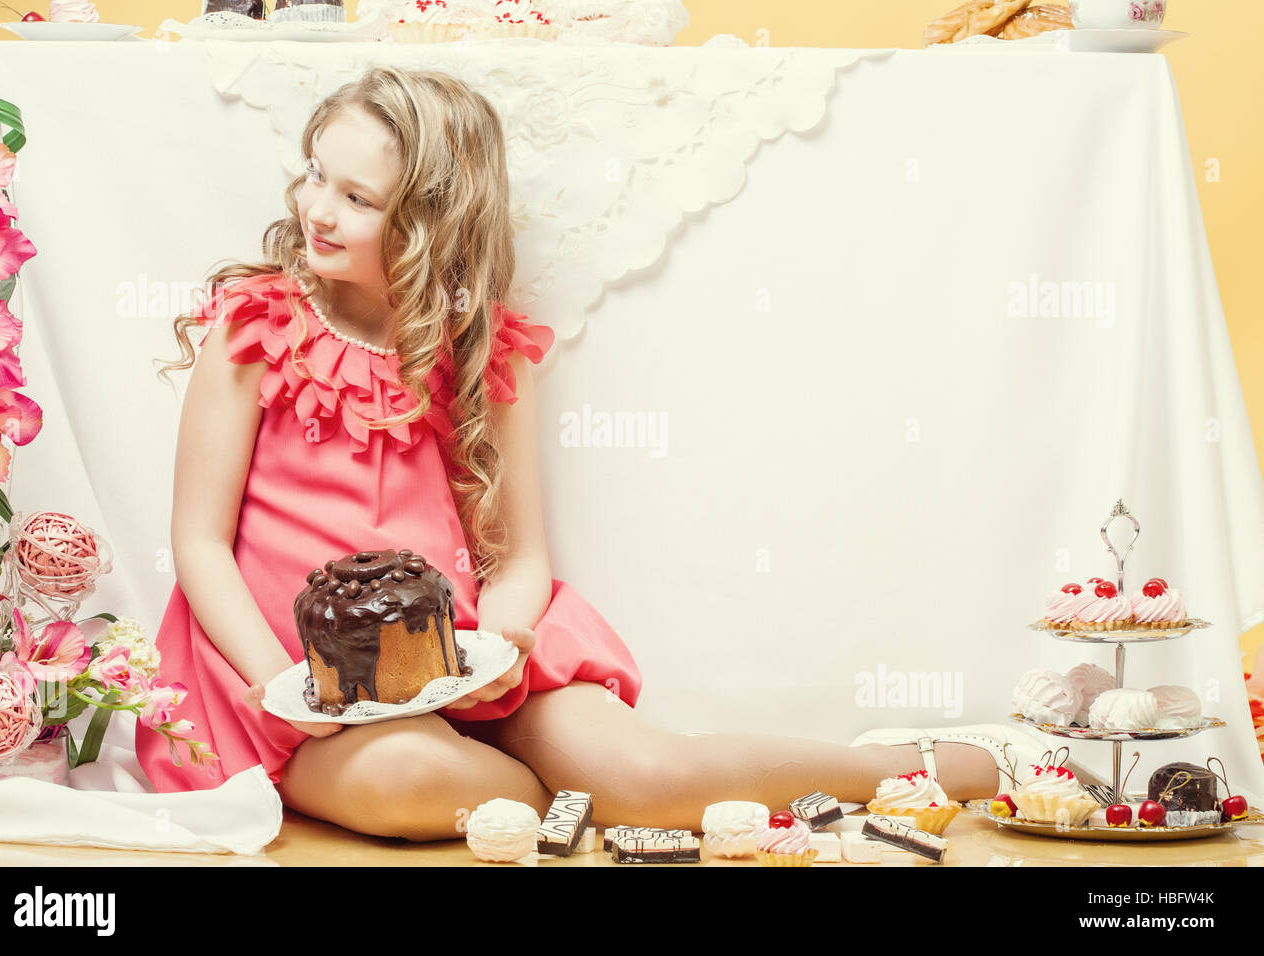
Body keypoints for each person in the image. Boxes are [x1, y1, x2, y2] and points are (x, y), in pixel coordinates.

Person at [140, 65, 1027, 841]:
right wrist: (277, 681)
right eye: (315, 177)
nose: (316, 210)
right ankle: (564, 796)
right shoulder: (256, 331)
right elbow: (200, 543)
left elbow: (521, 557)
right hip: (292, 692)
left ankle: (932, 764)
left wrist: (498, 647)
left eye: (357, 199)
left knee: (656, 778)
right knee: (412, 784)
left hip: (469, 669)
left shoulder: (478, 353)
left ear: (429, 225)